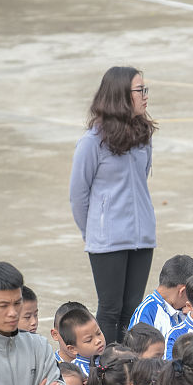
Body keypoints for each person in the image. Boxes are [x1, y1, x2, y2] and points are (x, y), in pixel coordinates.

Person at [68, 66, 158, 344]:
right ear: (121, 95)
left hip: (142, 238)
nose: (145, 96)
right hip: (108, 241)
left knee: (133, 311)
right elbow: (78, 195)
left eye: (145, 90)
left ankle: (130, 369)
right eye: (139, 90)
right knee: (110, 310)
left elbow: (140, 183)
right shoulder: (91, 143)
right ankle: (107, 369)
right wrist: (94, 231)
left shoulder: (143, 136)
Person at [128, 254, 193, 338]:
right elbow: (137, 348)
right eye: (192, 295)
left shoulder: (188, 311)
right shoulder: (148, 312)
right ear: (182, 291)